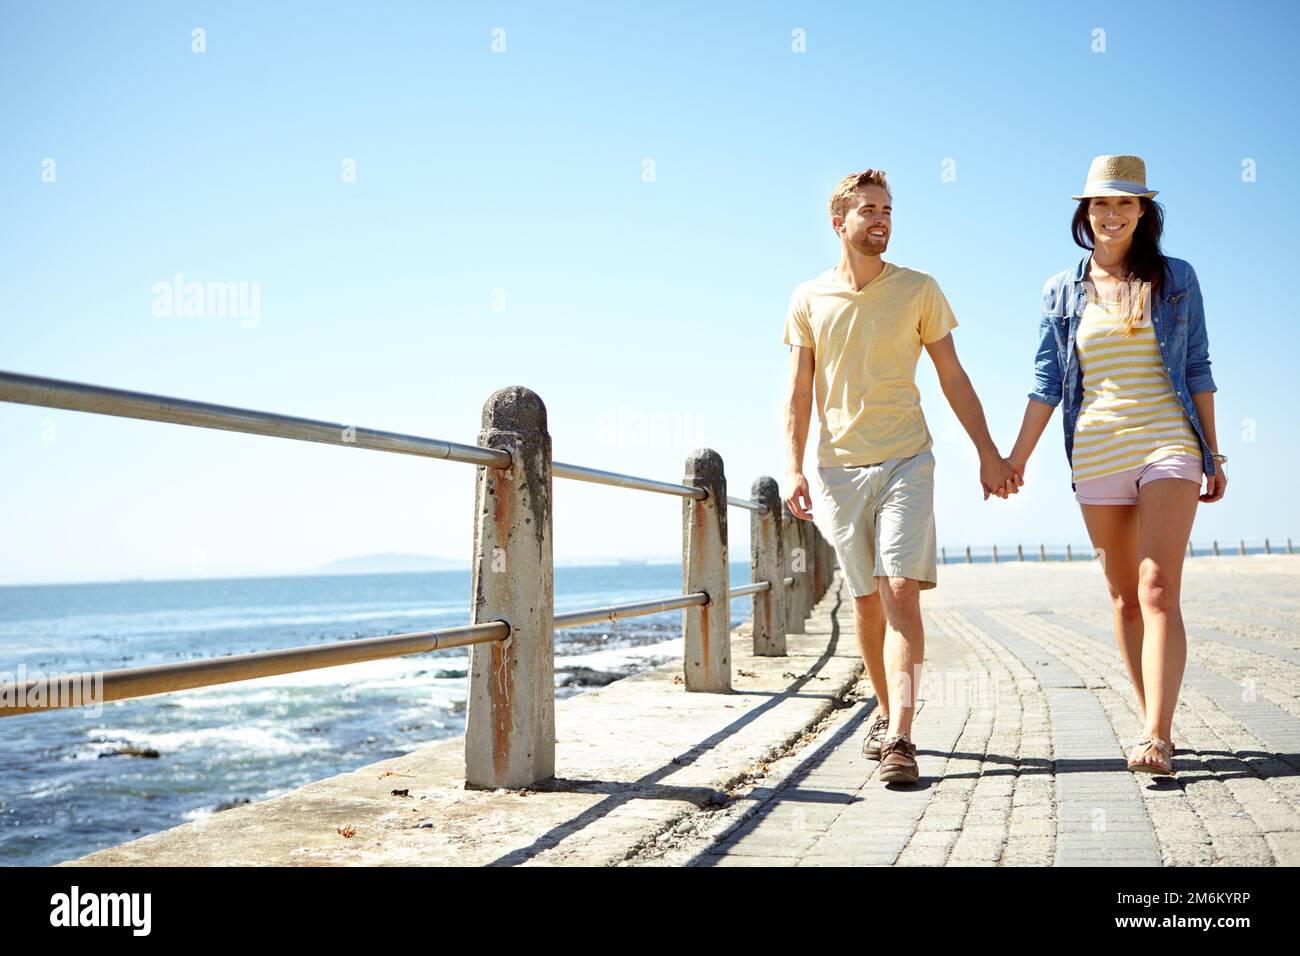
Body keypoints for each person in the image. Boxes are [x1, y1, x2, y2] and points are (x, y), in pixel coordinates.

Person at [783, 168, 1020, 785]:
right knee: (864, 603)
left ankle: (901, 737)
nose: (881, 219)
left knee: (898, 593)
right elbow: (799, 391)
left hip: (907, 459)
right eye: (868, 210)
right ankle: (886, 715)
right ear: (840, 222)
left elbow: (953, 377)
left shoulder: (920, 290)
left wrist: (988, 454)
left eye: (887, 209)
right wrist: (792, 467)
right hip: (838, 470)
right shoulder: (808, 298)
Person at [1006, 154, 1228, 776]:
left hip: (1169, 444)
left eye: (1124, 203)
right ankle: (1149, 716)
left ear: (1143, 212)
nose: (1111, 214)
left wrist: (1213, 454)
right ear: (1086, 213)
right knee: (1125, 598)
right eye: (1100, 203)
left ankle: (1157, 735)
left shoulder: (1176, 278)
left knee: (1158, 588)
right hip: (1097, 450)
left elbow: (1199, 368)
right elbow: (1046, 383)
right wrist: (1013, 461)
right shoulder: (1061, 289)